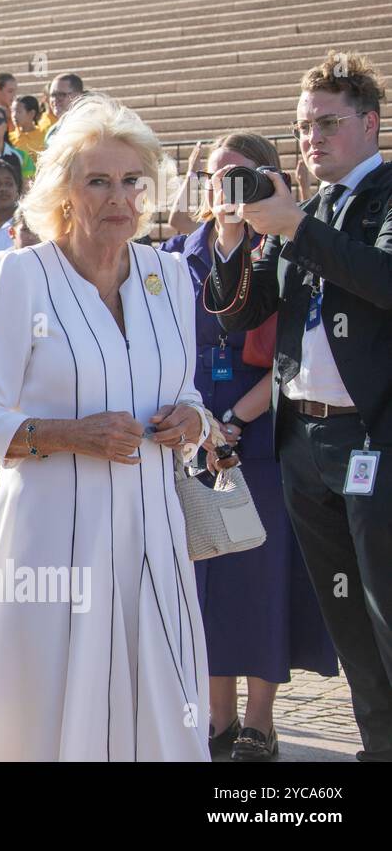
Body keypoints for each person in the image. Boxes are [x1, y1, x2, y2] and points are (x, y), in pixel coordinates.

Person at [0, 95, 212, 761]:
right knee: (39, 717)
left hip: (150, 536)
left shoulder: (172, 276)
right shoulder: (21, 276)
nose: (117, 197)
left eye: (131, 181)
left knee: (157, 709)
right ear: (65, 190)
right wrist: (73, 435)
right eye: (97, 180)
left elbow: (185, 391)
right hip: (50, 544)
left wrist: (192, 419)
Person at [204, 50, 392, 762]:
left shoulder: (380, 198)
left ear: (370, 125)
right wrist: (230, 239)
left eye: (327, 123)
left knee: (385, 608)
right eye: (301, 126)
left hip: (371, 441)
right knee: (347, 617)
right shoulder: (301, 212)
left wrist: (293, 229)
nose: (310, 138)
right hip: (302, 448)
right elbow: (239, 312)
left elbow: (383, 279)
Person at [162, 131, 338, 762]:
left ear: (268, 180)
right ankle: (218, 717)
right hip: (191, 436)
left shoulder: (287, 251)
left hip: (258, 436)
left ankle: (260, 721)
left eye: (239, 175)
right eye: (216, 175)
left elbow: (291, 354)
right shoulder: (178, 255)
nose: (224, 187)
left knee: (260, 582)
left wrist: (232, 419)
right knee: (205, 581)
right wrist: (200, 422)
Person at [45, 72, 86, 142]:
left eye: (61, 94)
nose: (55, 99)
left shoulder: (89, 128)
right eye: (52, 95)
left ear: (78, 96)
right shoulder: (52, 133)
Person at [11, 94, 47, 164]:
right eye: (12, 111)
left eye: (19, 112)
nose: (14, 115)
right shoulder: (9, 138)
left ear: (31, 113)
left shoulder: (44, 136)